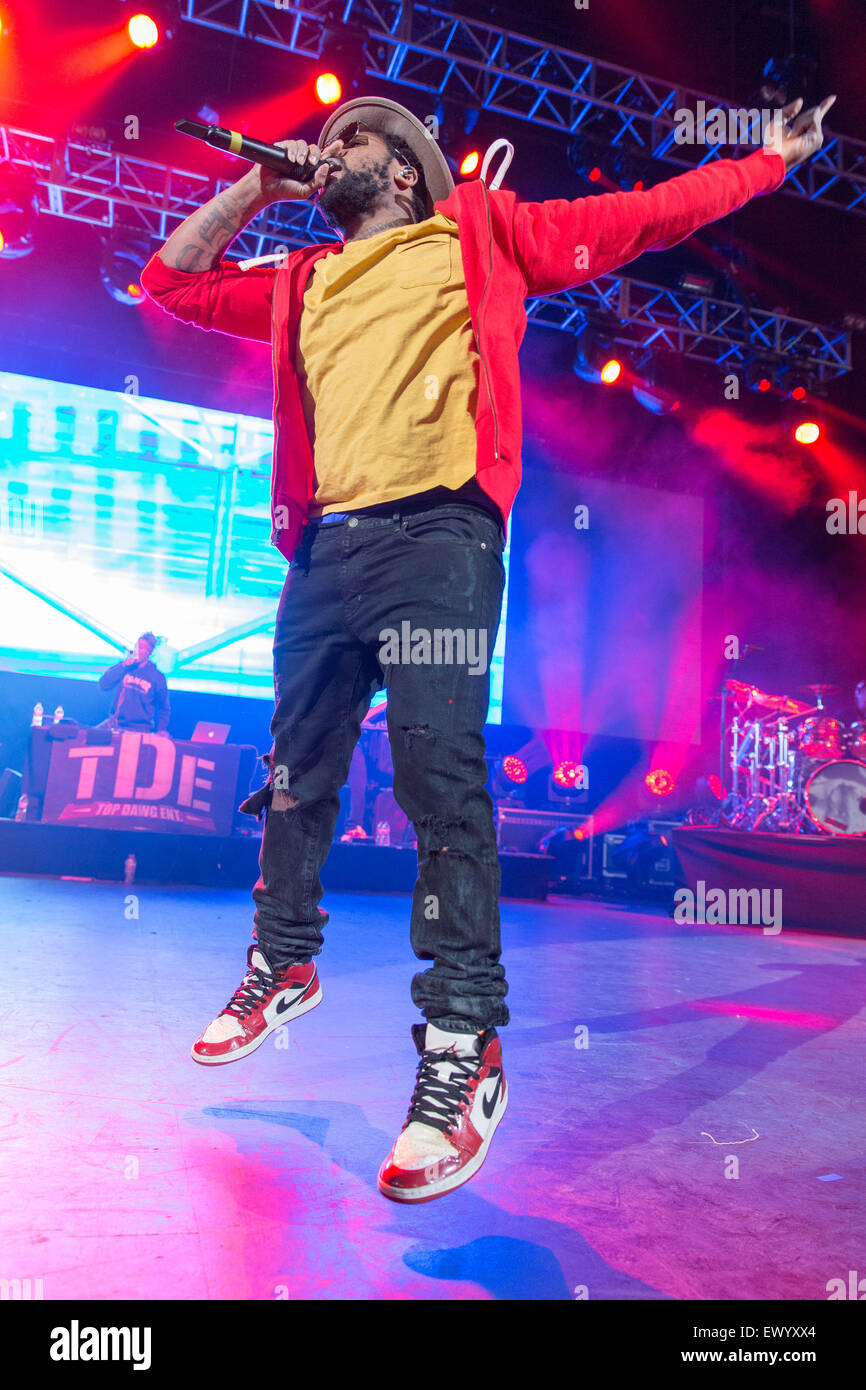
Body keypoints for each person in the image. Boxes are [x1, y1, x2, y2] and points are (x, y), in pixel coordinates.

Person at [140, 91, 835, 1202]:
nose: (330, 151)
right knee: (294, 770)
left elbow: (648, 214)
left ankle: (462, 1049)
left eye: (351, 140)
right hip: (326, 545)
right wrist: (257, 187)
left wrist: (765, 163)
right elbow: (165, 284)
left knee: (436, 776)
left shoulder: (480, 233)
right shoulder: (301, 281)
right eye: (325, 145)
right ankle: (284, 959)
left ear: (407, 173)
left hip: (439, 530)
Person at [98, 633, 170, 735]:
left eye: (141, 648)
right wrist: (123, 666)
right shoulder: (125, 667)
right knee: (88, 737)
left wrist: (161, 729)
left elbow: (164, 708)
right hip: (116, 725)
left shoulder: (157, 677)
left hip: (140, 730)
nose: (137, 650)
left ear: (149, 652)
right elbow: (103, 685)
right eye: (137, 646)